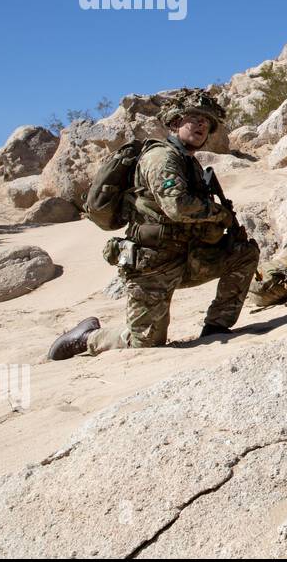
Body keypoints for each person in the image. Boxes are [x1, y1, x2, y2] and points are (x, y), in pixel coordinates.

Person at [48, 89, 260, 359]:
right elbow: (178, 207)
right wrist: (220, 214)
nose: (200, 125)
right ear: (174, 122)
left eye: (206, 123)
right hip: (153, 265)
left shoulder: (190, 163)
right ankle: (89, 337)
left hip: (188, 258)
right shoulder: (161, 158)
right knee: (145, 344)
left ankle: (216, 328)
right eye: (193, 119)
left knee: (244, 253)